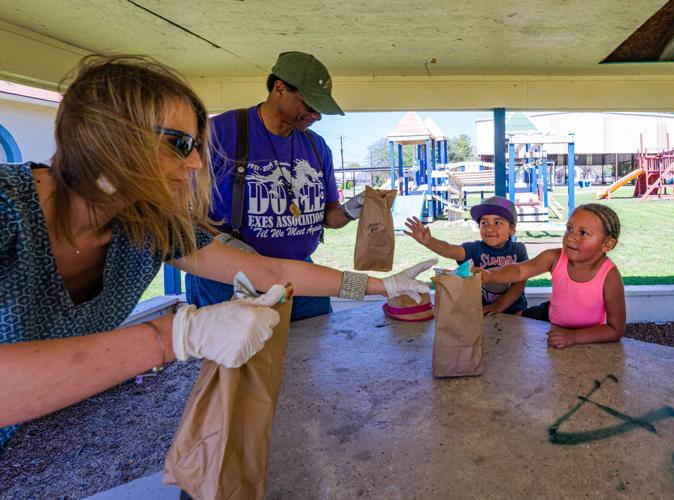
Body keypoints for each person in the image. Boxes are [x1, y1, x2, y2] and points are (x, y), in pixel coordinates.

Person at [0, 55, 433, 450]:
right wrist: (178, 335)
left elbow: (272, 271)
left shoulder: (148, 226)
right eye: (180, 144)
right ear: (108, 134)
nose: (194, 164)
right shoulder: (8, 205)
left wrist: (381, 285)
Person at [185, 51, 363, 322]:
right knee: (234, 360)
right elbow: (175, 206)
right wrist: (218, 242)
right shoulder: (219, 133)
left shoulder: (317, 147)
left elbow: (329, 216)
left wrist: (354, 208)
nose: (316, 115)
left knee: (315, 353)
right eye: (310, 104)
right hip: (231, 281)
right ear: (280, 88)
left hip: (299, 278)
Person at [480, 203, 625, 348]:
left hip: (588, 330)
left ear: (607, 244)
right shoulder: (554, 257)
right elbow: (520, 271)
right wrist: (490, 274)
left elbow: (615, 329)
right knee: (511, 325)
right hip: (549, 314)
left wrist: (574, 337)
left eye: (583, 233)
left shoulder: (610, 277)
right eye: (569, 229)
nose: (570, 238)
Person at [404, 196, 528, 315]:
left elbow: (520, 284)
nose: (489, 228)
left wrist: (500, 306)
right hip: (482, 312)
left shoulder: (518, 250)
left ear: (512, 229)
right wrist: (429, 241)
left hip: (514, 313)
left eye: (497, 222)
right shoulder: (474, 249)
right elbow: (450, 250)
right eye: (484, 222)